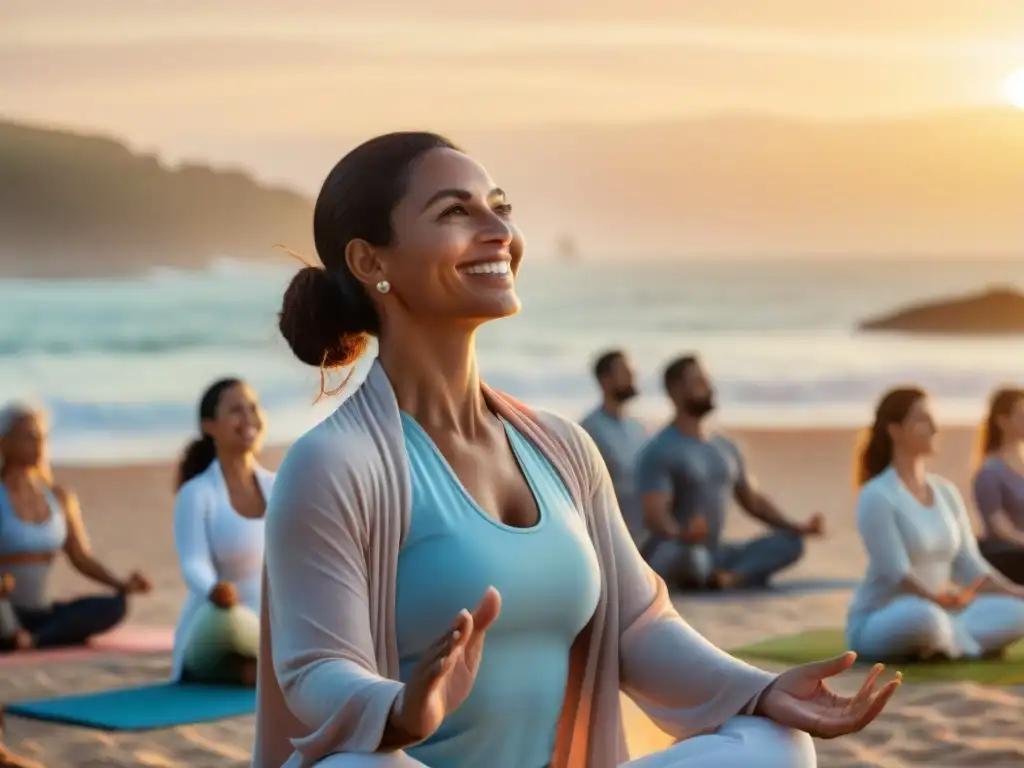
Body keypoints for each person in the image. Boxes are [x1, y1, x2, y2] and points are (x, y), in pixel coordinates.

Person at [252, 132, 900, 768]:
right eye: (455, 212)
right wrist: (401, 709)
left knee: (774, 742)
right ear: (370, 263)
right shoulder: (333, 464)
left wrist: (761, 690)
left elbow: (638, 627)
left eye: (500, 207)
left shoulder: (561, 447)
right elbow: (316, 668)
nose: (499, 231)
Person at [847, 387, 1024, 662]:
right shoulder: (877, 495)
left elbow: (970, 564)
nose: (934, 428)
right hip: (886, 614)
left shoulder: (946, 492)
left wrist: (1015, 592)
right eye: (922, 420)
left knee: (1018, 611)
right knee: (924, 618)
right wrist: (937, 598)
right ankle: (958, 641)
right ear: (895, 430)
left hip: (947, 610)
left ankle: (949, 643)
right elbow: (895, 573)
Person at [636, 355, 823, 592]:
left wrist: (795, 526)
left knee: (790, 542)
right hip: (679, 549)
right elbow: (655, 516)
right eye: (698, 382)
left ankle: (730, 577)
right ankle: (725, 576)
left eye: (707, 381)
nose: (709, 388)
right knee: (690, 557)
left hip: (717, 551)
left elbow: (753, 501)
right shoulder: (659, 449)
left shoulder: (724, 446)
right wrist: (683, 534)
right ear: (675, 391)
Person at [0, 402, 151, 654]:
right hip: (4, 607)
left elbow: (80, 556)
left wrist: (120, 583)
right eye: (29, 437)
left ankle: (34, 639)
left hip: (41, 612)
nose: (39, 444)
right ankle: (17, 635)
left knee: (114, 606)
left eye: (42, 437)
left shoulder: (59, 497)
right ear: (4, 442)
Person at [171, 378, 273, 685]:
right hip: (217, 623)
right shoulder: (197, 493)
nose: (248, 418)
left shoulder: (280, 485)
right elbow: (193, 562)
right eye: (236, 411)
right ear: (210, 426)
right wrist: (214, 589)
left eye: (252, 408)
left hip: (266, 623)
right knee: (234, 631)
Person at [580, 349, 648, 544]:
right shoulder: (590, 429)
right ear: (605, 380)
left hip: (645, 532)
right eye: (624, 371)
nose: (632, 375)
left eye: (631, 371)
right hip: (611, 536)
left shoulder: (638, 427)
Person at [972, 387, 1024, 584]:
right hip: (1010, 556)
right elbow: (1000, 528)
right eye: (1021, 415)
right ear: (1002, 421)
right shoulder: (991, 471)